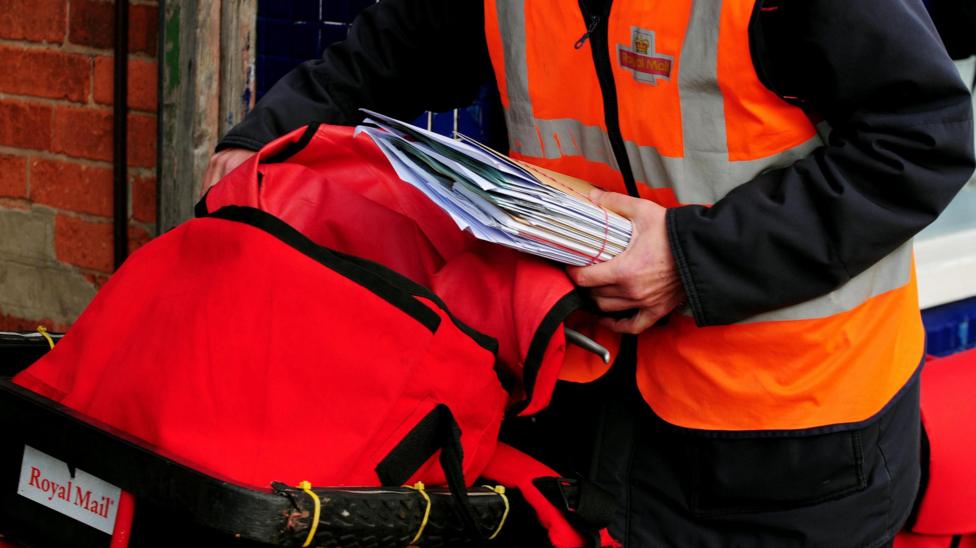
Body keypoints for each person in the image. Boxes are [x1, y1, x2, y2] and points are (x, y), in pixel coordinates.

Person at [205, 1, 975, 546]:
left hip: (793, 448)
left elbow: (922, 140)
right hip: (583, 414)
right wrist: (263, 139)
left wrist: (688, 257)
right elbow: (388, 54)